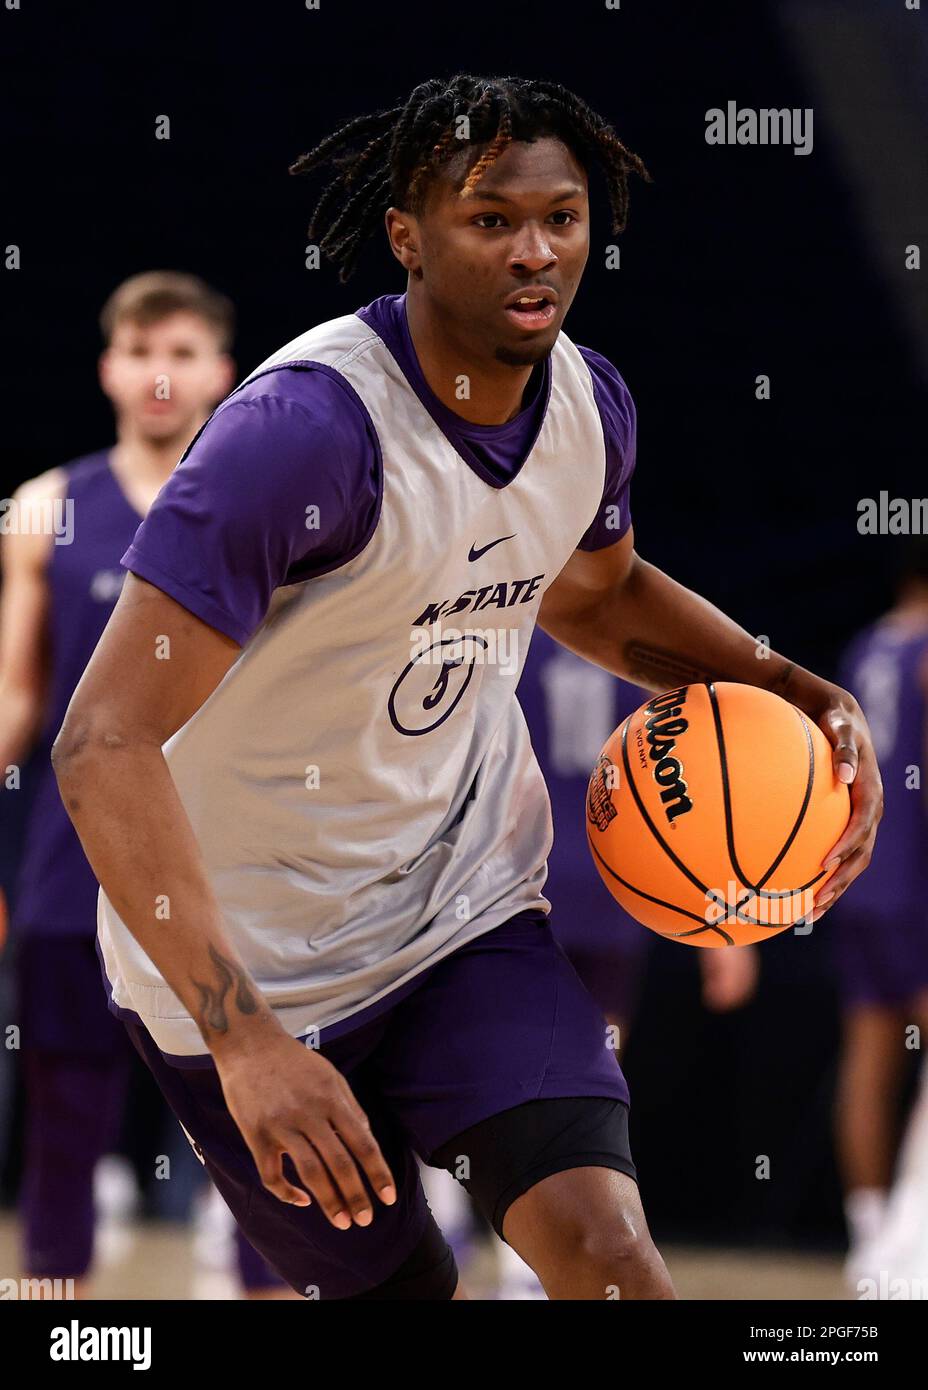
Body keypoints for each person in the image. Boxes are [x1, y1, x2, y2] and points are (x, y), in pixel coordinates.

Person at [51, 74, 881, 1302]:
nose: (537, 251)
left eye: (564, 216)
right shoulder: (301, 436)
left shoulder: (589, 407)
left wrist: (786, 685)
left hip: (462, 911)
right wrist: (246, 1038)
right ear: (408, 237)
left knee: (608, 1256)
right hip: (246, 966)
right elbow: (102, 743)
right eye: (491, 219)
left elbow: (592, 595)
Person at [0, 270, 281, 1297]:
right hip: (73, 868)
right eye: (141, 352)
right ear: (110, 366)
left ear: (219, 370)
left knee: (257, 1125)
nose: (160, 375)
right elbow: (17, 694)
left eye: (181, 354)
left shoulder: (265, 510)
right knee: (63, 1124)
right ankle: (57, 1315)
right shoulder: (45, 508)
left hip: (228, 867)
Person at [829, 539, 928, 1288]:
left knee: (869, 1060)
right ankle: (908, 1245)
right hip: (914, 882)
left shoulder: (865, 646)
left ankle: (871, 1239)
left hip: (855, 879)